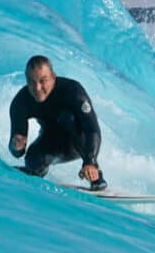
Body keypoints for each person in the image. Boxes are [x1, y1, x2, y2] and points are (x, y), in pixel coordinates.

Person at [9, 55, 106, 189]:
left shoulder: (73, 91)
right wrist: (16, 147)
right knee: (32, 159)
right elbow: (17, 151)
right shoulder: (21, 102)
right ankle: (37, 173)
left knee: (66, 118)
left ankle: (96, 177)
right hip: (52, 143)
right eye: (31, 82)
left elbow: (92, 129)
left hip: (78, 143)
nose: (37, 88)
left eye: (43, 81)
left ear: (53, 77)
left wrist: (90, 161)